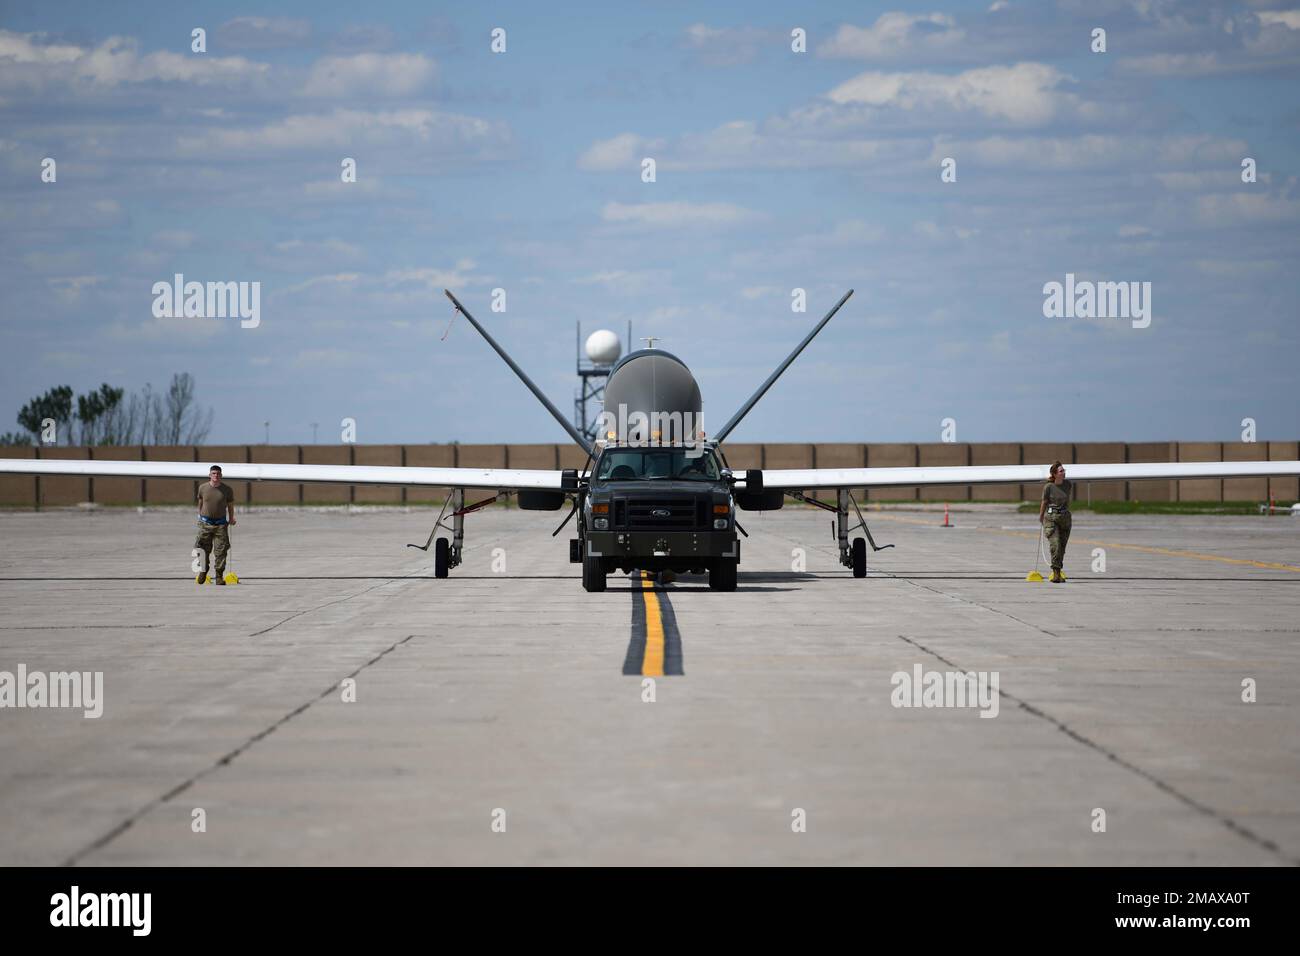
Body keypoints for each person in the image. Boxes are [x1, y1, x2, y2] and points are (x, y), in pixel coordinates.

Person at [196, 465, 236, 585]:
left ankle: (219, 576)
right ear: (209, 475)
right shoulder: (202, 488)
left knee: (221, 551)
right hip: (205, 523)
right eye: (213, 473)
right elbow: (200, 502)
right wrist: (199, 515)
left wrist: (231, 517)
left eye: (218, 474)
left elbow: (230, 505)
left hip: (221, 524)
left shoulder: (227, 490)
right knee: (201, 548)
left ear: (221, 475)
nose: (216, 475)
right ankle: (203, 569)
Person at [1037, 461, 1072, 583]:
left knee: (1062, 547)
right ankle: (1056, 573)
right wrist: (1041, 516)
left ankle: (1058, 571)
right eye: (1061, 471)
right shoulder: (1048, 487)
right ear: (1055, 474)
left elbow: (1067, 501)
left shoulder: (1068, 485)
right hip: (1051, 518)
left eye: (1064, 470)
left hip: (1064, 518)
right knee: (1055, 545)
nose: (1064, 473)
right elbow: (1044, 502)